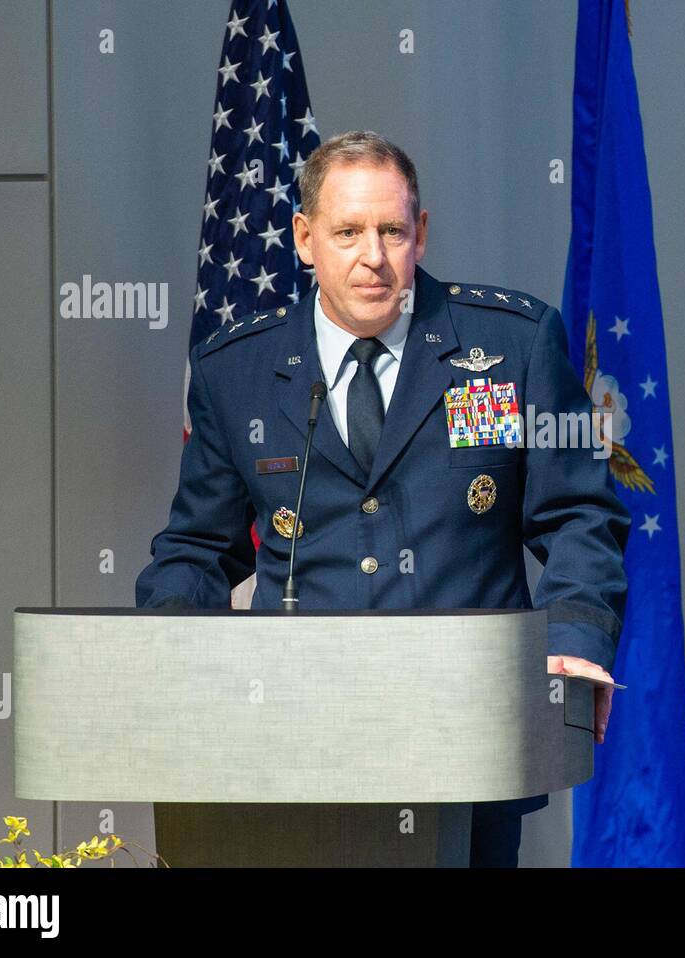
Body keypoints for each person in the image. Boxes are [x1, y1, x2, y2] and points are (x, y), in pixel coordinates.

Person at [135, 130, 630, 867]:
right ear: (305, 239)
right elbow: (199, 549)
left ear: (420, 234)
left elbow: (579, 515)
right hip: (288, 743)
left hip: (470, 741)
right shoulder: (236, 370)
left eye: (392, 230)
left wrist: (573, 640)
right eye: (347, 232)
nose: (373, 255)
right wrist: (164, 652)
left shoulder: (512, 343)